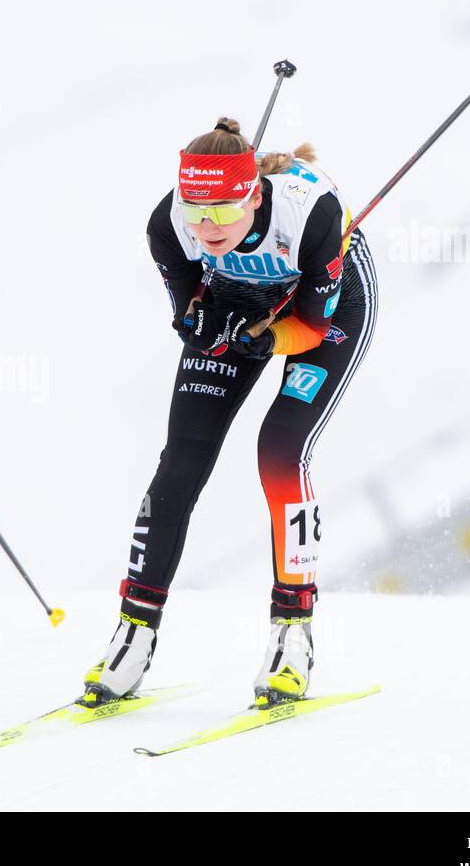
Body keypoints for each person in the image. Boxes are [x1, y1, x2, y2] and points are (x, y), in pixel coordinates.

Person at [83, 118, 377, 708]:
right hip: (234, 299)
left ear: (254, 194)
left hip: (322, 313)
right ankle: (133, 635)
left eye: (221, 210)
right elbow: (190, 302)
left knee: (279, 450)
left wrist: (266, 341)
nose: (206, 227)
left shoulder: (311, 215)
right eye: (196, 211)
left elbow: (314, 327)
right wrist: (197, 320)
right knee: (180, 465)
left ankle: (292, 636)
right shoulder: (170, 225)